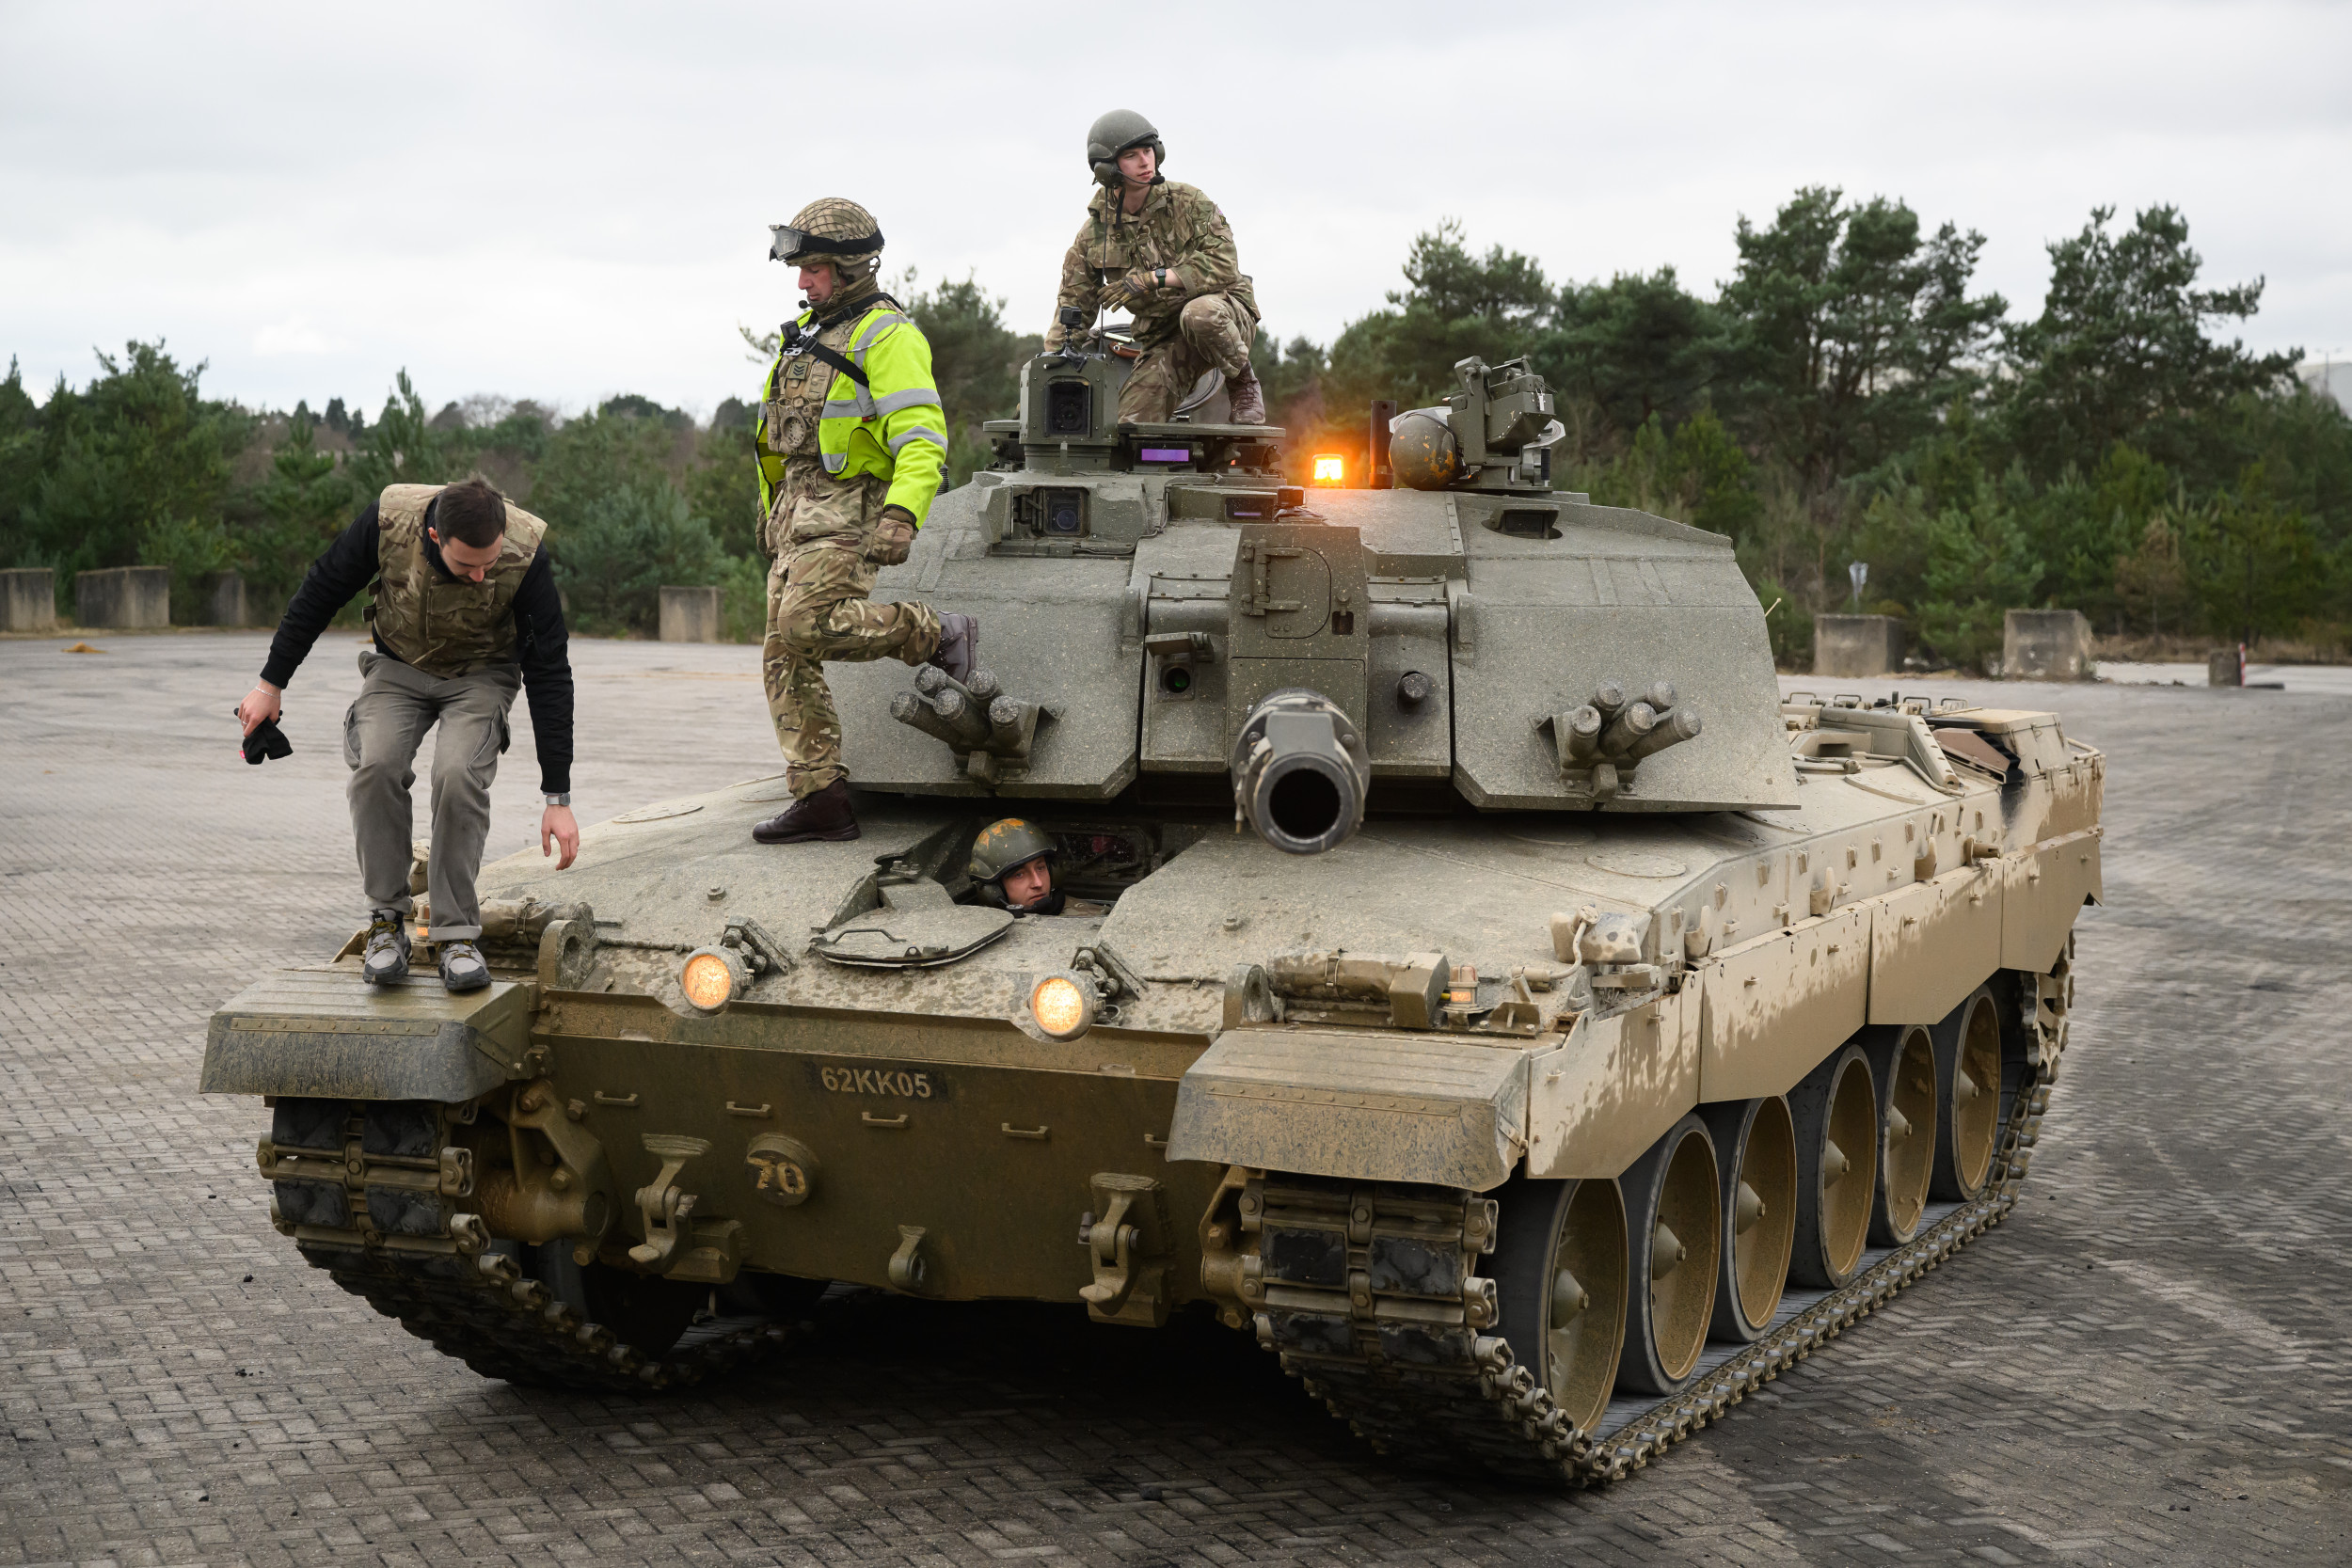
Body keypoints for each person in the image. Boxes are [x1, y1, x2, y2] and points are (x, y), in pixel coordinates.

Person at [236, 477, 579, 992]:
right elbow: (320, 590)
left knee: (459, 773)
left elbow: (550, 667)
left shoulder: (525, 551)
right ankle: (385, 923)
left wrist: (558, 793)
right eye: (469, 566)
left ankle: (457, 934)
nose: (482, 574)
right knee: (376, 766)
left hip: (481, 677)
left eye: (490, 561)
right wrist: (270, 684)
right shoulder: (389, 521)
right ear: (436, 536)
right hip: (398, 667)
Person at [750, 198, 977, 846]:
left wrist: (904, 513)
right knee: (782, 655)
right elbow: (779, 444)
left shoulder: (888, 336)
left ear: (848, 268)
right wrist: (772, 519)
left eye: (813, 269)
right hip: (796, 522)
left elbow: (923, 438)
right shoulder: (807, 340)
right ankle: (821, 795)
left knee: (806, 624)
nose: (802, 281)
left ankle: (930, 632)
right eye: (799, 269)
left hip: (851, 519)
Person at [1045, 109, 1266, 427]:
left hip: (1225, 315)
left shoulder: (1189, 202)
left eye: (1148, 151)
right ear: (1108, 170)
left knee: (1199, 314)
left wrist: (1153, 279)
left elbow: (1225, 265)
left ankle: (1243, 382)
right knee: (1129, 429)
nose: (1146, 162)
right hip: (1164, 336)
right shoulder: (1093, 236)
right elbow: (1073, 310)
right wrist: (1048, 373)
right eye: (1132, 155)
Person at [967, 818, 1107, 917]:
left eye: (1040, 868)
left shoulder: (1096, 920)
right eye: (1019, 875)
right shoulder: (970, 930)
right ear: (992, 891)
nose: (1038, 883)